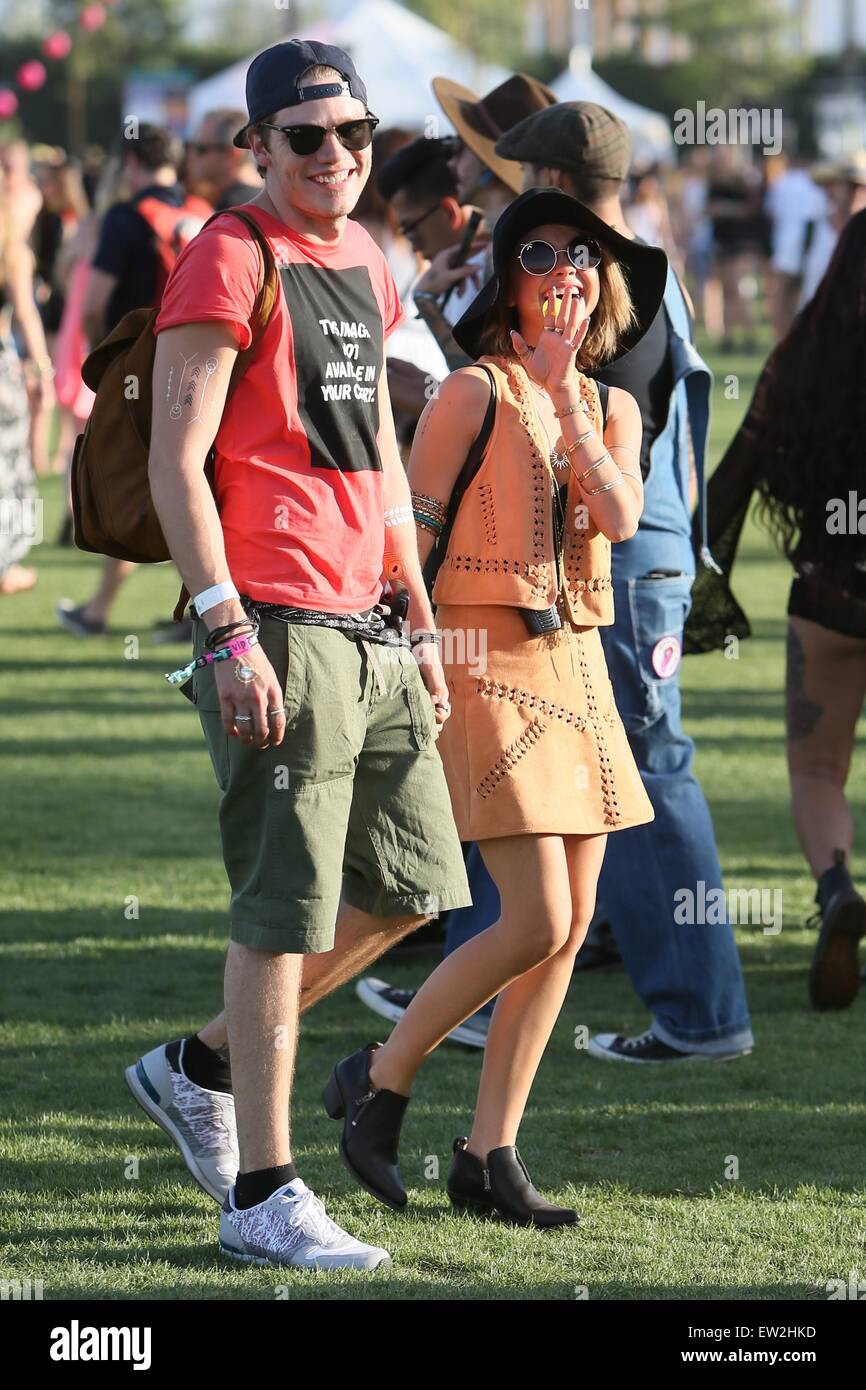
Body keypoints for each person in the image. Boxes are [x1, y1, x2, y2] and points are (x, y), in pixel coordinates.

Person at [124, 39, 470, 1271]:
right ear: (256, 147)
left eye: (354, 134)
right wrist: (222, 627)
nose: (336, 155)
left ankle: (202, 1066)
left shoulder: (367, 257)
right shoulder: (229, 252)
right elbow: (177, 458)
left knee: (412, 889)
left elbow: (376, 446)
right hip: (270, 619)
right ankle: (262, 1195)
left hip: (372, 624)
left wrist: (418, 612)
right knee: (283, 910)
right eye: (307, 136)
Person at [359, 102, 755, 1066]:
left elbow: (550, 432)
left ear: (559, 188)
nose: (499, 201)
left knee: (640, 778)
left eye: (518, 183)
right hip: (580, 572)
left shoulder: (613, 288)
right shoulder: (618, 272)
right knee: (527, 782)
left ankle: (700, 1015)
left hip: (609, 571)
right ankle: (489, 981)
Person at [324, 187, 664, 1224]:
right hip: (478, 659)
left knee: (562, 937)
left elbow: (616, 512)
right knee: (536, 915)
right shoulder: (468, 393)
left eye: (583, 253)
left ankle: (488, 1154)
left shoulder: (610, 407)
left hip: (576, 670)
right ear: (506, 280)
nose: (564, 267)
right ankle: (378, 1080)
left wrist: (565, 398)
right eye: (539, 250)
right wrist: (409, 657)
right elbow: (405, 543)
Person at [689, 209, 866, 1009]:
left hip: (829, 595)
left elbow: (740, 468)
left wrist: (697, 576)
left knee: (818, 769)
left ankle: (835, 888)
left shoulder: (803, 358)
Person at [56, 123, 212, 639]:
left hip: (138, 372)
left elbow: (96, 302)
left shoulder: (126, 217)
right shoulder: (203, 212)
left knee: (127, 480)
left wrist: (107, 358)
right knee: (193, 478)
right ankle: (195, 607)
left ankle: (101, 610)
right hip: (204, 367)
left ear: (130, 163)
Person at [0, 184, 52, 595]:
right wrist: (40, 368)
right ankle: (7, 564)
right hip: (4, 372)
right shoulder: (12, 251)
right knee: (10, 465)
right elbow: (26, 313)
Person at [185, 108, 264, 212]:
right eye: (190, 146)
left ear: (233, 155)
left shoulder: (234, 210)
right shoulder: (270, 201)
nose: (192, 155)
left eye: (201, 149)